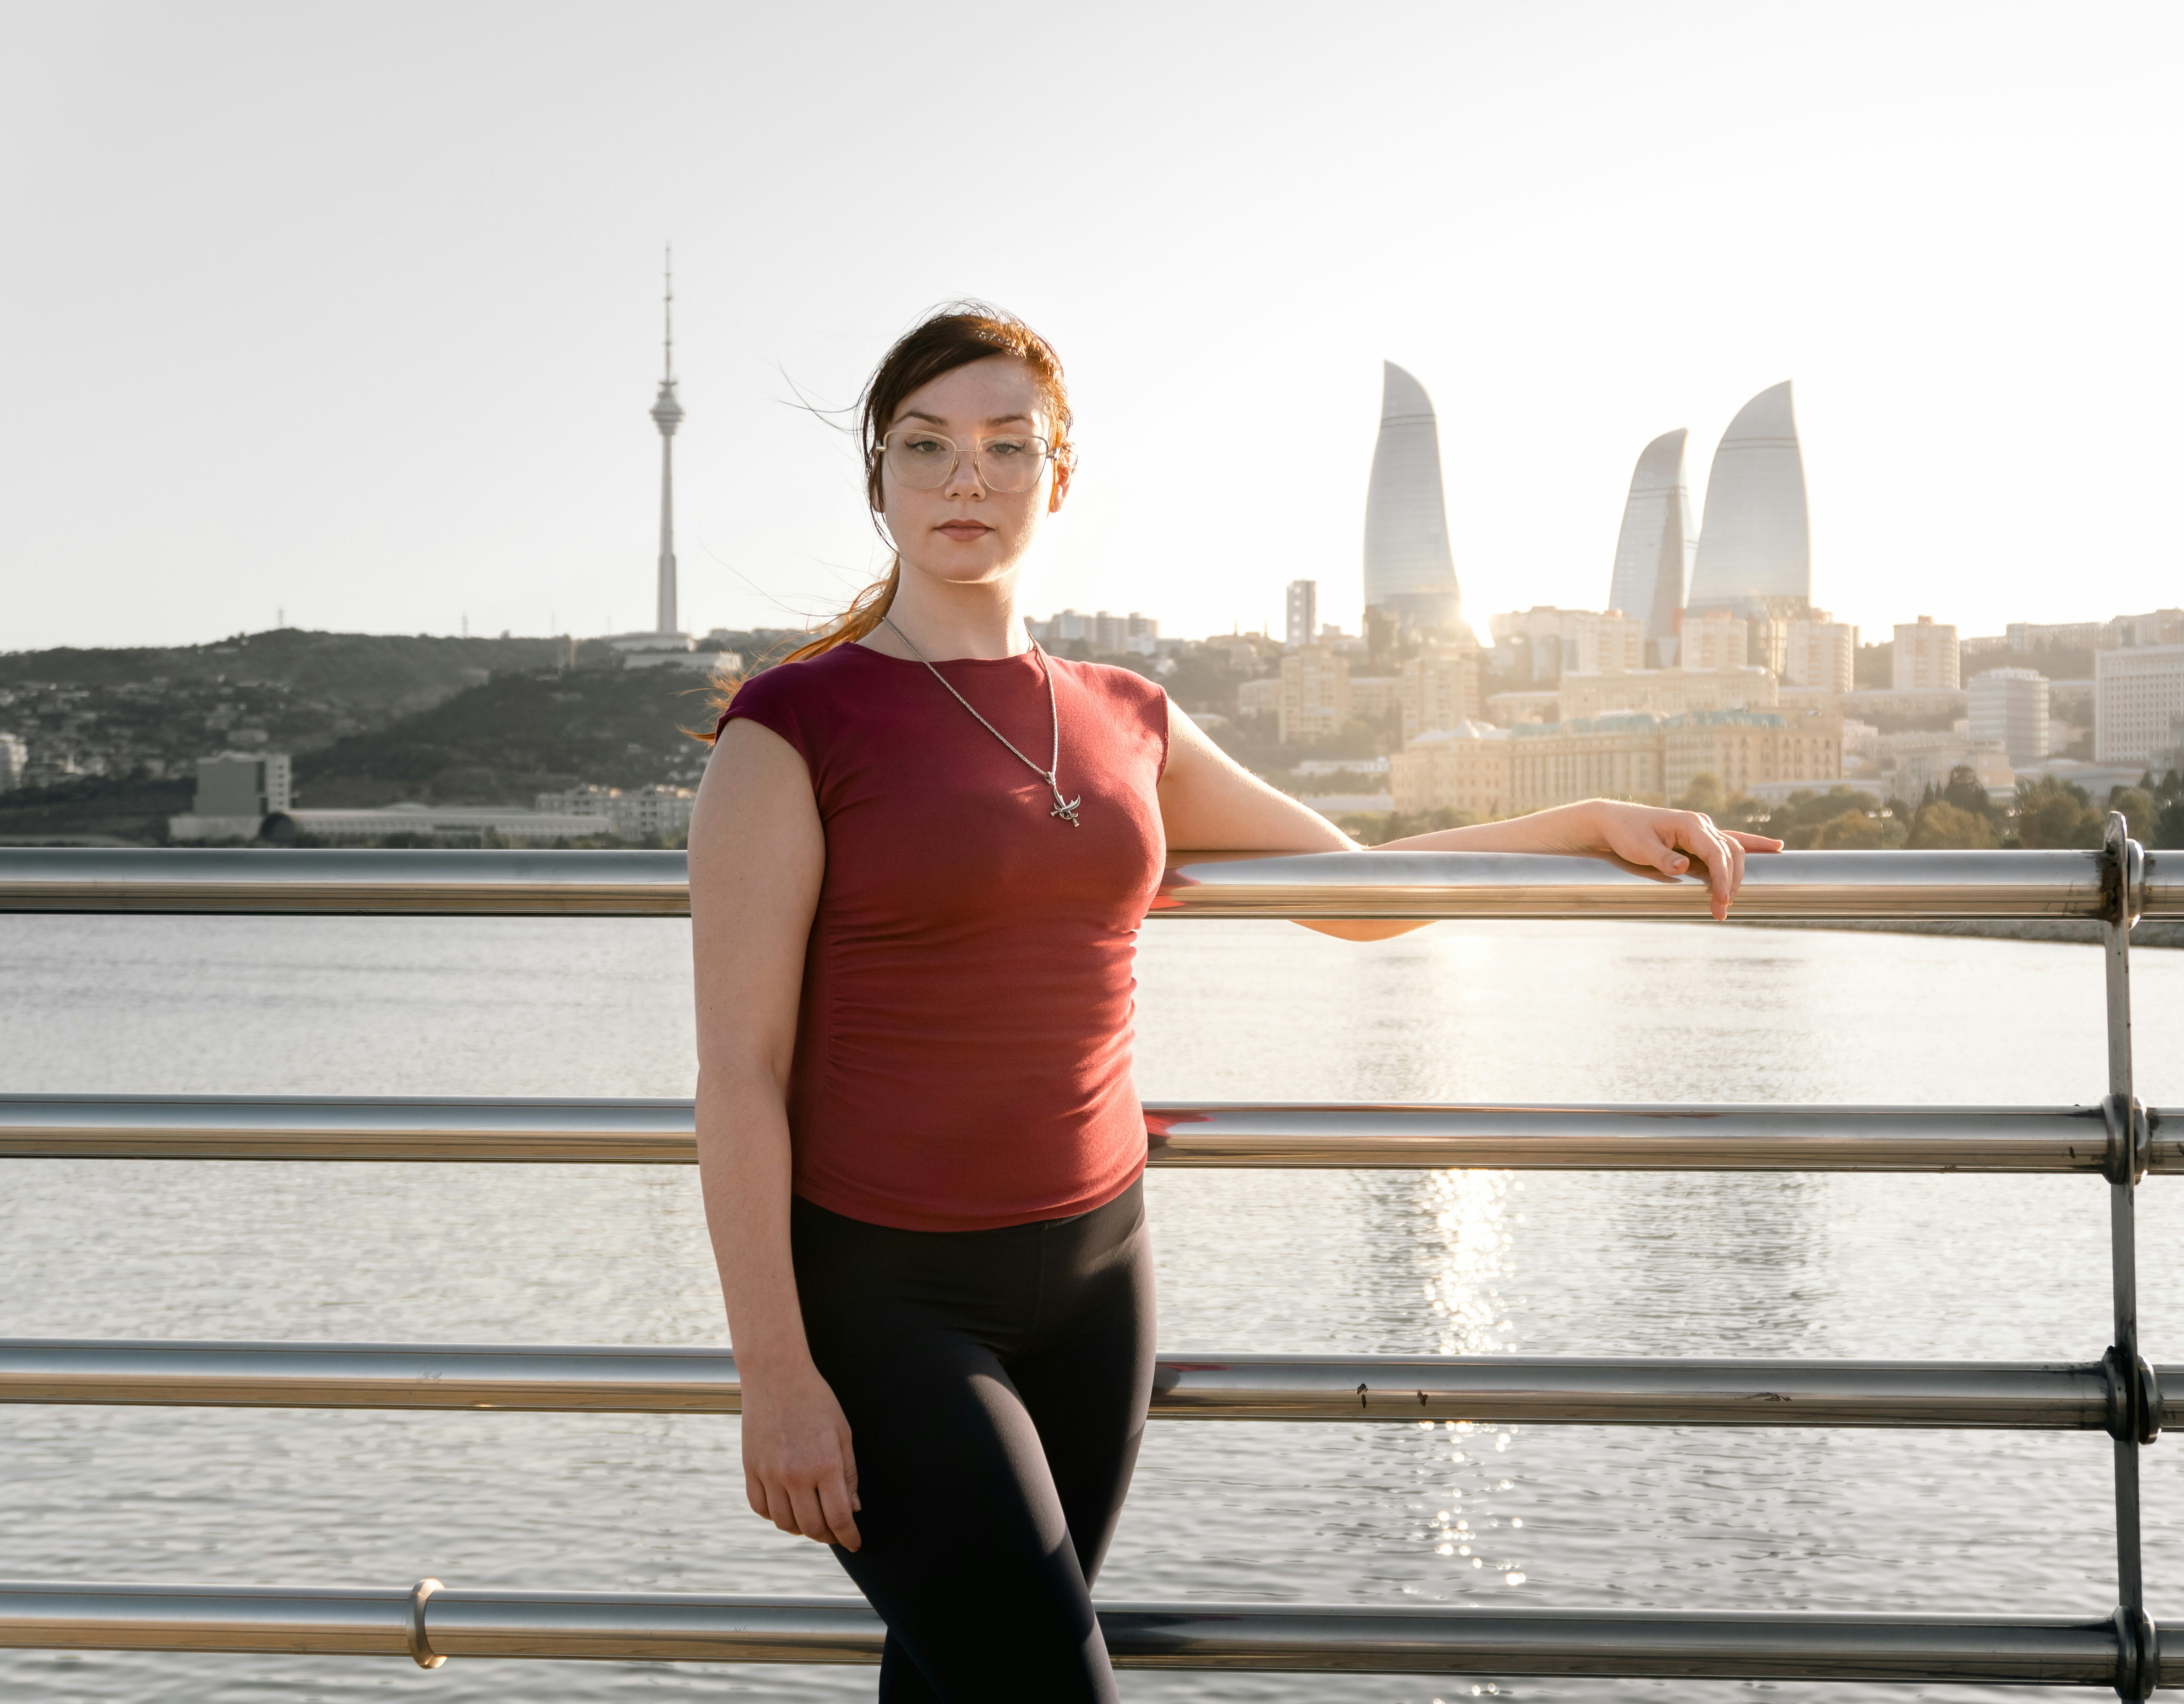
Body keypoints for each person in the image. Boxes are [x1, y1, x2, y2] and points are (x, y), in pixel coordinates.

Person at [687, 304, 1781, 1702]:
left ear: (1058, 477)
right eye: (929, 446)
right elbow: (740, 1074)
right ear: (879, 476)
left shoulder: (1128, 711)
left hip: (1096, 1283)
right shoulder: (794, 726)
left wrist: (1575, 823)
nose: (968, 479)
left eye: (1006, 447)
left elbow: (1354, 895)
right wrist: (773, 1375)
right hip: (886, 1303)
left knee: (964, 1681)